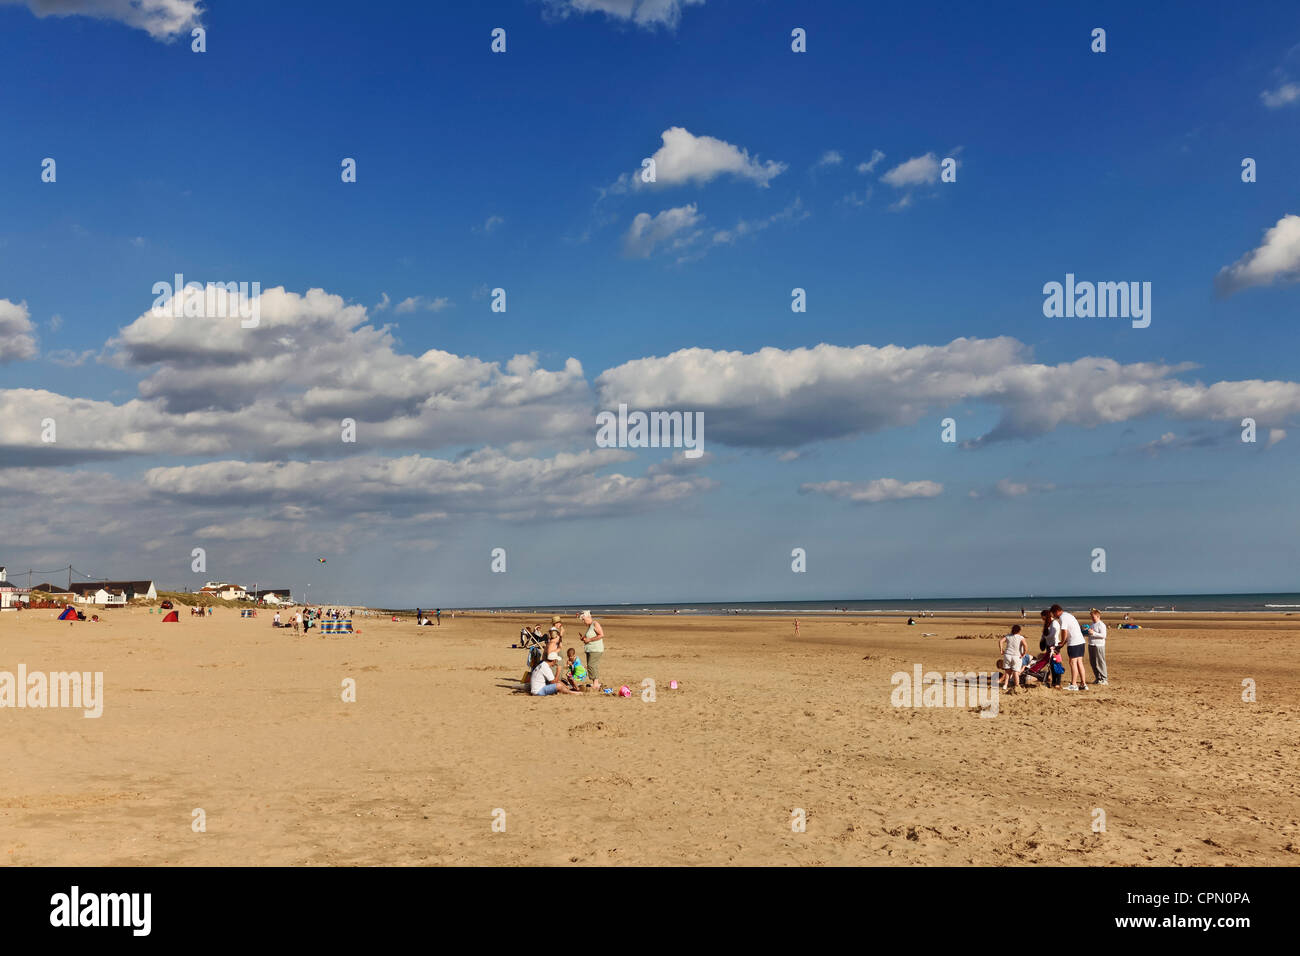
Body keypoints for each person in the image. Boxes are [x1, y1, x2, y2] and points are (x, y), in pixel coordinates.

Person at [1052, 604, 1087, 691]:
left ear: (1057, 611)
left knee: (1072, 662)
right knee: (1079, 662)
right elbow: (1071, 630)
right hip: (1080, 641)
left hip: (1074, 642)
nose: (1054, 616)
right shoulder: (1069, 615)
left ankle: (1074, 684)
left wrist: (1062, 642)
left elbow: (1064, 631)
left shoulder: (1062, 618)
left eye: (1053, 614)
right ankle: (1083, 684)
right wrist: (1063, 643)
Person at [578, 610, 605, 692]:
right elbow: (589, 638)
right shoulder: (590, 626)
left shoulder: (595, 624)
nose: (583, 621)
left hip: (596, 649)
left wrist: (589, 639)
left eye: (583, 619)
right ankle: (595, 683)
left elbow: (601, 635)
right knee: (592, 665)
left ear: (588, 617)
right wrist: (584, 638)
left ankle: (596, 684)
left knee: (591, 665)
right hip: (590, 649)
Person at [999, 625, 1026, 692]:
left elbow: (1000, 641)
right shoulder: (1021, 637)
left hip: (1007, 655)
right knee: (1016, 672)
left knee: (1007, 672)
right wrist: (1024, 653)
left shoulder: (1008, 636)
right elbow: (1025, 645)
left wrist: (1001, 650)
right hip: (1016, 656)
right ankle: (1017, 686)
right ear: (1019, 631)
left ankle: (1005, 685)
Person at [1087, 608, 1108, 685]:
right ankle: (1098, 678)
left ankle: (1104, 679)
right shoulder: (1092, 624)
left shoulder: (1101, 624)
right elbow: (1091, 634)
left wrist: (1093, 633)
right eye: (1091, 616)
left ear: (1098, 616)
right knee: (1093, 662)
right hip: (1091, 644)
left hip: (1099, 645)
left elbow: (1103, 636)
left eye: (1093, 616)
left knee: (1100, 662)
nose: (1092, 618)